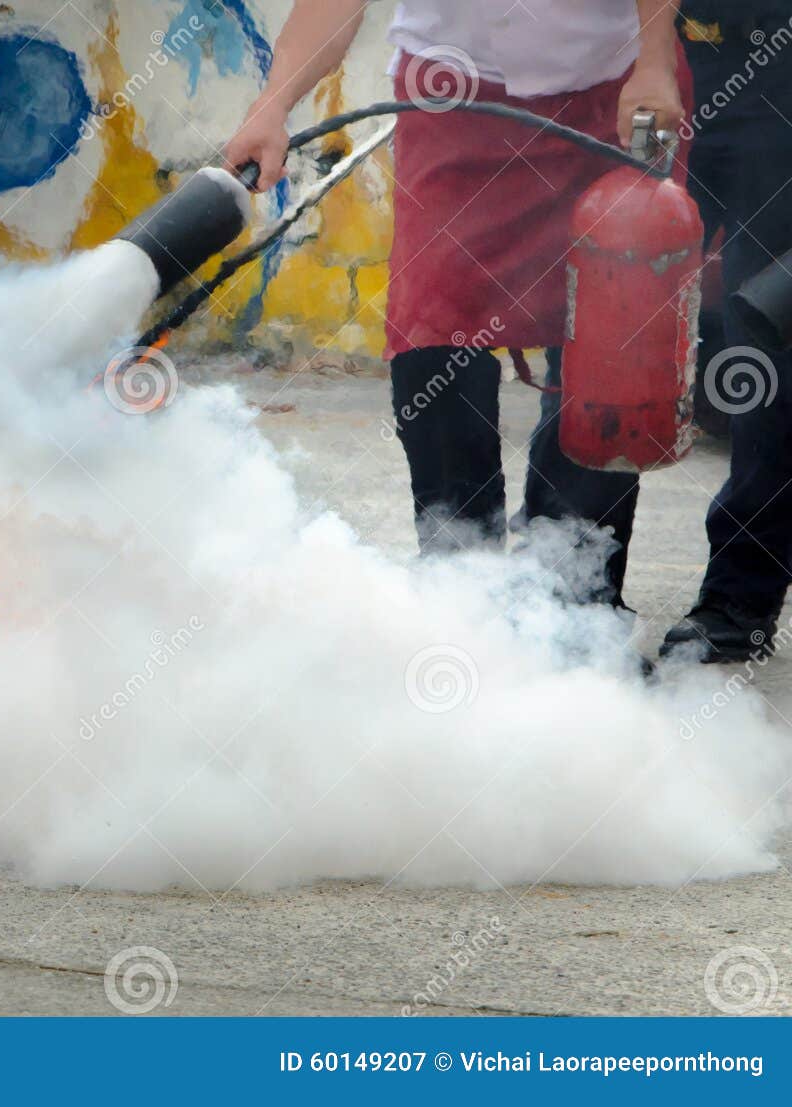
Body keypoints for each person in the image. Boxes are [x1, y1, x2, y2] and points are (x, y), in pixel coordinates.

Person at [225, 0, 689, 608]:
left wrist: (654, 59)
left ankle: (573, 606)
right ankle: (457, 592)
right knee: (433, 334)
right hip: (452, 102)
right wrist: (272, 105)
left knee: (610, 349)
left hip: (614, 93)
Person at [659, 3, 792, 663]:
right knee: (605, 314)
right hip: (664, 62)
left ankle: (738, 601)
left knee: (763, 347)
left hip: (783, 79)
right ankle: (573, 582)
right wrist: (652, 57)